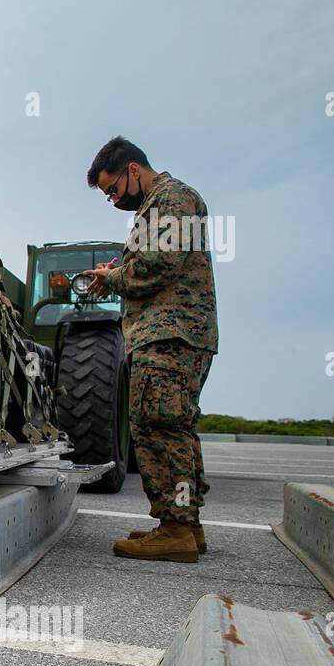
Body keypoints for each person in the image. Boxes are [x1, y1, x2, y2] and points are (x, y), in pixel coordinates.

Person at [82, 136, 219, 563]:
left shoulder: (173, 199)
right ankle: (184, 524)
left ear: (133, 170)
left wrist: (115, 277)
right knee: (173, 427)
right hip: (174, 333)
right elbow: (155, 261)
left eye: (114, 190)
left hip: (169, 334)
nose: (114, 199)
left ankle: (175, 529)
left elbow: (157, 265)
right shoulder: (163, 203)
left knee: (157, 426)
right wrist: (120, 272)